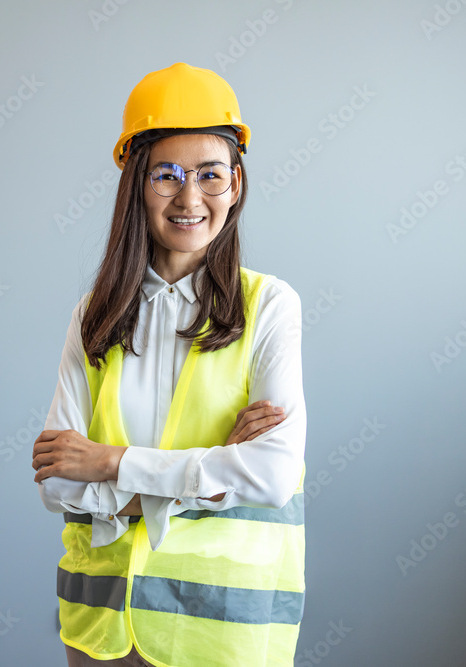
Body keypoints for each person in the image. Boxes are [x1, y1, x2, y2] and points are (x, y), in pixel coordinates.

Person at [31, 62, 307, 667]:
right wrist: (211, 476)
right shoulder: (94, 314)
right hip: (103, 629)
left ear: (235, 183)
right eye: (167, 176)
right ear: (137, 183)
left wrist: (110, 464)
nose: (190, 198)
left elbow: (271, 477)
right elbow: (57, 482)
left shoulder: (269, 306)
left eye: (210, 175)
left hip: (220, 631)